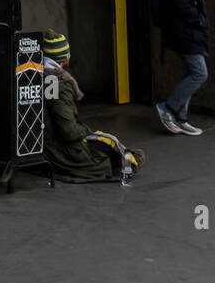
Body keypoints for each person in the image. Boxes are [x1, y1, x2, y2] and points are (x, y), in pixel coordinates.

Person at [42, 31, 146, 181]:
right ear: (64, 58)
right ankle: (129, 159)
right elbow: (68, 131)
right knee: (108, 141)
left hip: (47, 147)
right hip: (61, 153)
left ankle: (128, 155)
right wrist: (86, 130)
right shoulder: (57, 84)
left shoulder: (38, 75)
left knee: (104, 140)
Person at [156, 0, 209, 136]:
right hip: (186, 31)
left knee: (190, 72)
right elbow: (181, 3)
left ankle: (181, 118)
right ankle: (168, 108)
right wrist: (200, 19)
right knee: (199, 73)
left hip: (186, 30)